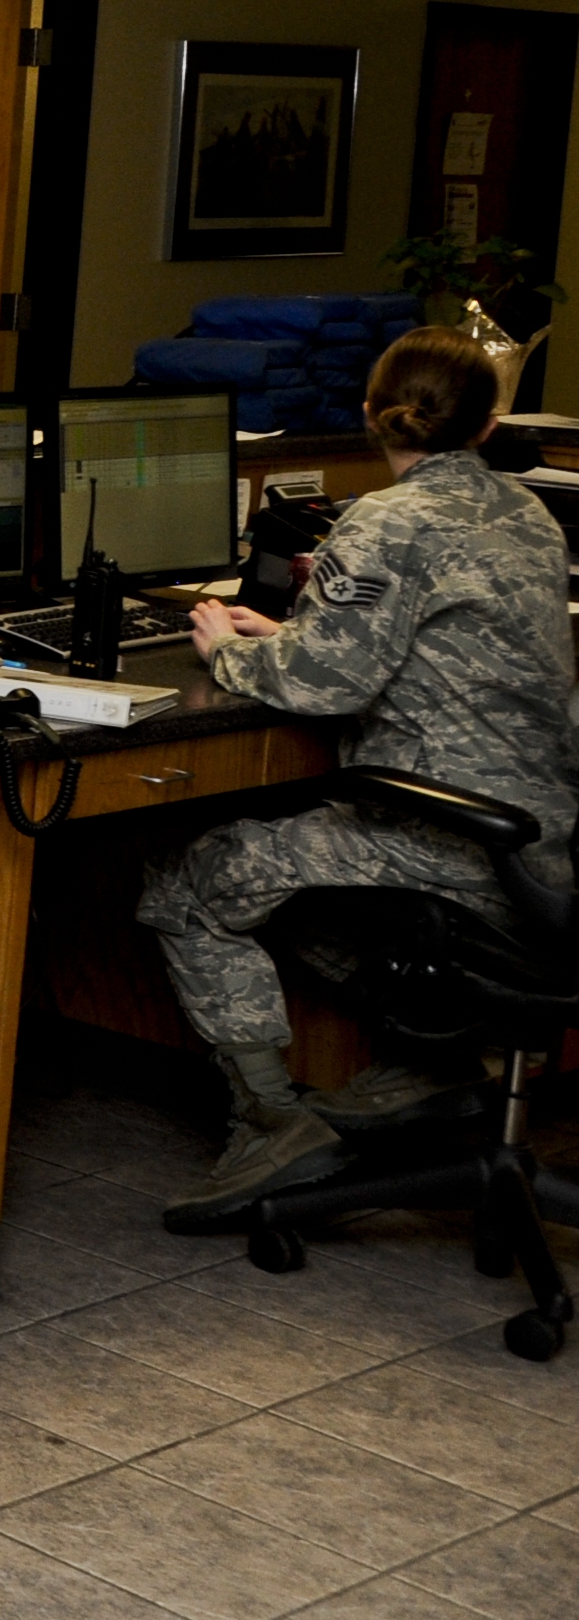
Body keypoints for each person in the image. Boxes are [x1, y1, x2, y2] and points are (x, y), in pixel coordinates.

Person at [145, 329, 571, 1228]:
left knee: (191, 882)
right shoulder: (527, 512)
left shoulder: (386, 520)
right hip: (541, 837)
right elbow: (422, 644)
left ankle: (273, 1127)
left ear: (371, 414)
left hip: (449, 836)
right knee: (286, 870)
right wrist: (295, 634)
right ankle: (439, 1063)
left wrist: (226, 650)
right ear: (487, 425)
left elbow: (320, 685)